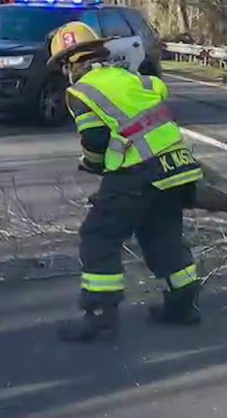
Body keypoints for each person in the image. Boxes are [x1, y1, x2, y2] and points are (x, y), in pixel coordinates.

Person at [51, 20, 206, 343]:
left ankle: (100, 316)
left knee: (98, 235)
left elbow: (94, 139)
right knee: (162, 233)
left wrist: (93, 165)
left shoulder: (81, 91)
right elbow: (156, 92)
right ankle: (183, 306)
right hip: (176, 166)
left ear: (69, 65)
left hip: (137, 172)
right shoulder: (130, 78)